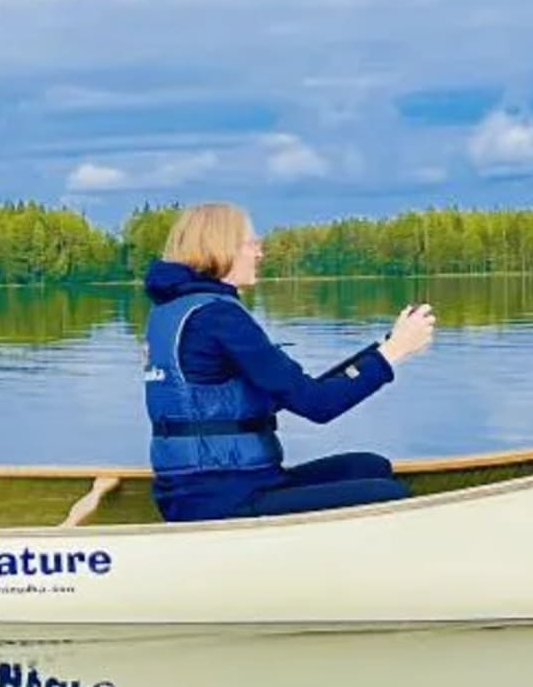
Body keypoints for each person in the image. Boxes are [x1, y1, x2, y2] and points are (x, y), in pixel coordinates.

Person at [142, 201, 435, 522]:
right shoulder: (218, 317)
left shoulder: (177, 311)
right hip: (223, 497)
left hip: (216, 487)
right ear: (221, 247)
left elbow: (303, 391)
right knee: (389, 496)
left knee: (370, 467)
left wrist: (386, 347)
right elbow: (318, 405)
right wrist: (393, 353)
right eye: (252, 243)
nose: (259, 253)